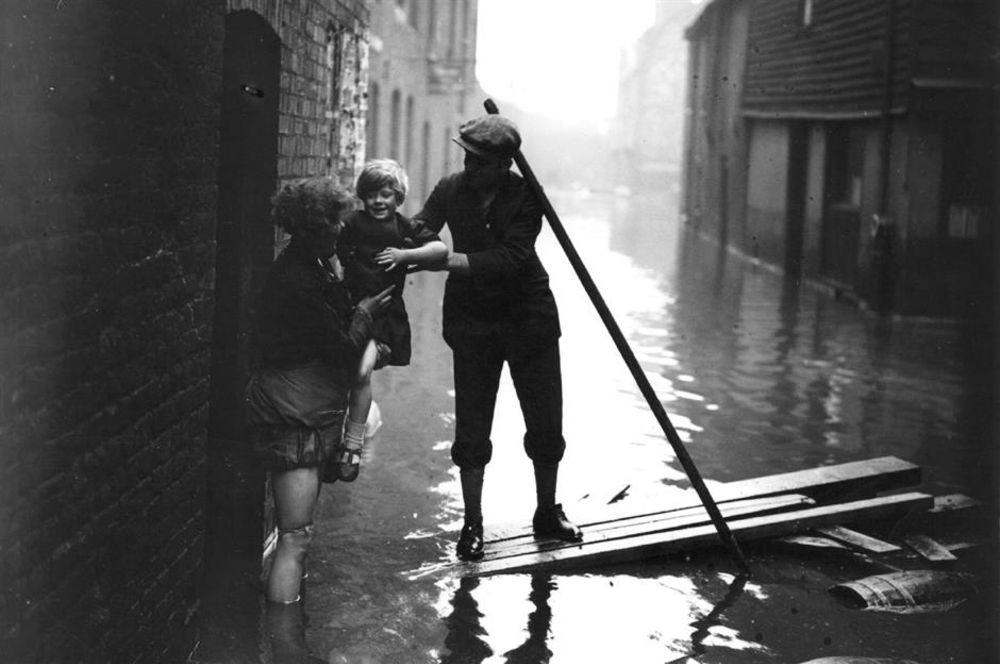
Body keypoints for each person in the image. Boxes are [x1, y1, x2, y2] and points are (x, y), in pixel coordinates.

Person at [413, 114, 582, 561]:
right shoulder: (451, 187)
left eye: (480, 161)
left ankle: (546, 511)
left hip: (529, 320)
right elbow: (421, 224)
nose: (470, 166)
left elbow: (512, 257)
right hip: (473, 322)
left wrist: (446, 261)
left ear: (505, 163)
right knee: (471, 429)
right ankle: (472, 523)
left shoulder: (529, 197)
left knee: (545, 424)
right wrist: (424, 241)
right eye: (467, 156)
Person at [245, 176, 394, 604]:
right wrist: (364, 314)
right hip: (293, 419)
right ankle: (285, 642)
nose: (341, 230)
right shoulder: (297, 281)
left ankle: (290, 627)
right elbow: (343, 347)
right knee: (295, 536)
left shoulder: (312, 269)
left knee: (297, 533)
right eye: (333, 224)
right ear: (313, 229)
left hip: (306, 414)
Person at [334, 159, 448, 481]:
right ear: (362, 196)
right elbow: (332, 247)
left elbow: (439, 249)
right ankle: (346, 438)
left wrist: (405, 256)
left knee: (361, 370)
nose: (378, 201)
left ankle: (352, 445)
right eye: (371, 194)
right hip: (350, 310)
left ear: (398, 197)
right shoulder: (352, 223)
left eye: (386, 194)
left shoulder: (403, 227)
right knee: (348, 373)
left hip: (384, 318)